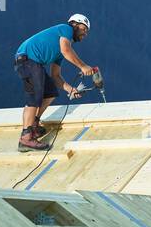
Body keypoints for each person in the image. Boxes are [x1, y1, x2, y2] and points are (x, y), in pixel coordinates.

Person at [13, 14, 98, 151]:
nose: (85, 33)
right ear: (75, 24)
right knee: (35, 97)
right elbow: (66, 50)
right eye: (84, 28)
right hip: (28, 59)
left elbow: (56, 76)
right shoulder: (66, 28)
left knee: (50, 92)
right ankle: (26, 137)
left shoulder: (59, 51)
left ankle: (34, 124)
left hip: (31, 62)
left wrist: (70, 89)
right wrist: (83, 66)